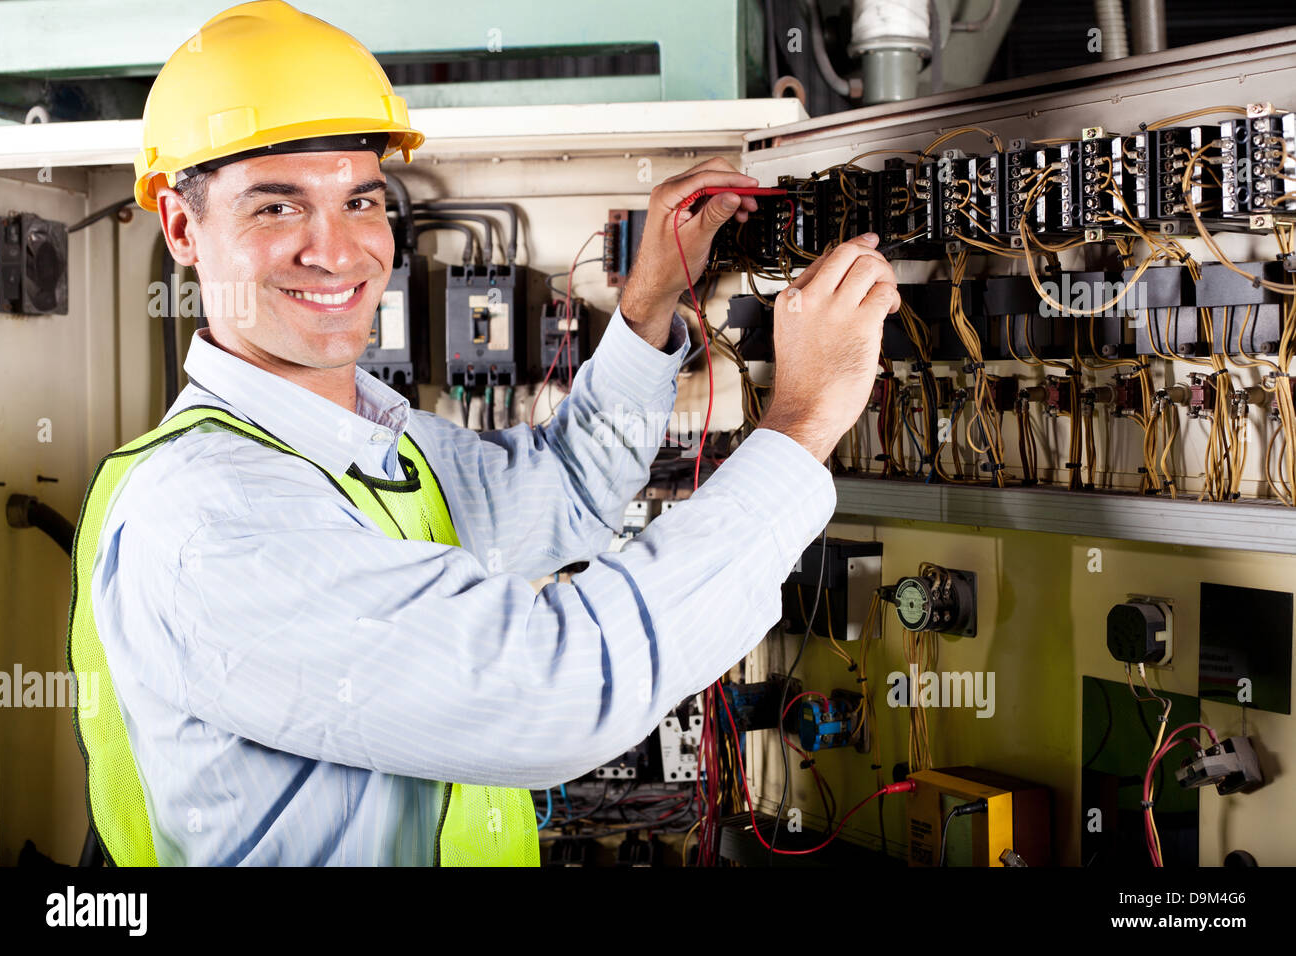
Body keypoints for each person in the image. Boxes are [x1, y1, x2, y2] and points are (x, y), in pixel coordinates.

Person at [68, 0, 900, 866]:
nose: (338, 250)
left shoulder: (370, 443)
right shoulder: (215, 517)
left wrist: (649, 302)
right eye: (277, 208)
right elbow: (561, 687)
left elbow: (567, 485)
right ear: (180, 226)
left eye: (360, 199)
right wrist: (802, 423)